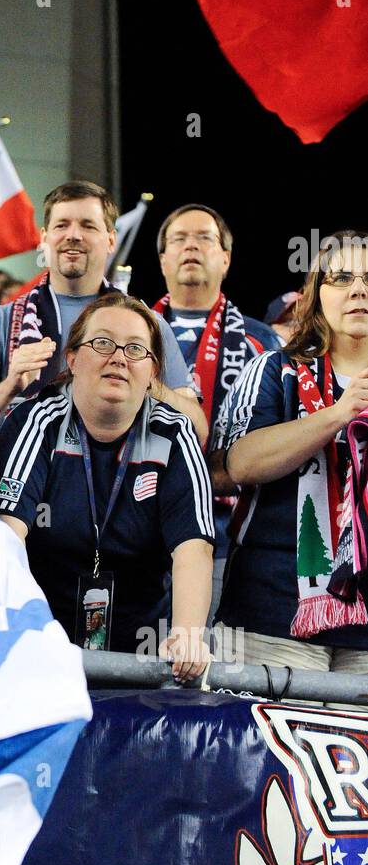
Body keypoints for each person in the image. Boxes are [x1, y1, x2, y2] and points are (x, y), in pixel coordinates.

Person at [0, 292, 214, 678]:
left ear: (152, 373)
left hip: (142, 652)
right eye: (103, 343)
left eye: (135, 349)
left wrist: (188, 634)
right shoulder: (39, 421)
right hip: (43, 646)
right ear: (73, 359)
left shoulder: (175, 433)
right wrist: (8, 624)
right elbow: (7, 534)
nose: (118, 357)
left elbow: (193, 547)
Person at [217, 231, 368, 674]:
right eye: (341, 278)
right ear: (315, 295)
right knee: (267, 746)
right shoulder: (274, 369)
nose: (359, 289)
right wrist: (338, 413)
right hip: (273, 617)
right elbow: (240, 465)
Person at [0, 182, 206, 451]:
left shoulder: (146, 324)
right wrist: (10, 387)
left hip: (119, 487)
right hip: (22, 486)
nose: (73, 235)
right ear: (44, 238)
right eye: (62, 225)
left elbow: (197, 430)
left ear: (110, 240)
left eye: (88, 225)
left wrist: (144, 379)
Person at [153, 204, 281, 613]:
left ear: (225, 259)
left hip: (224, 532)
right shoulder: (131, 329)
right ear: (163, 259)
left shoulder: (263, 343)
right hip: (140, 524)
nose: (191, 246)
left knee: (203, 661)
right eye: (180, 239)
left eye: (204, 238)